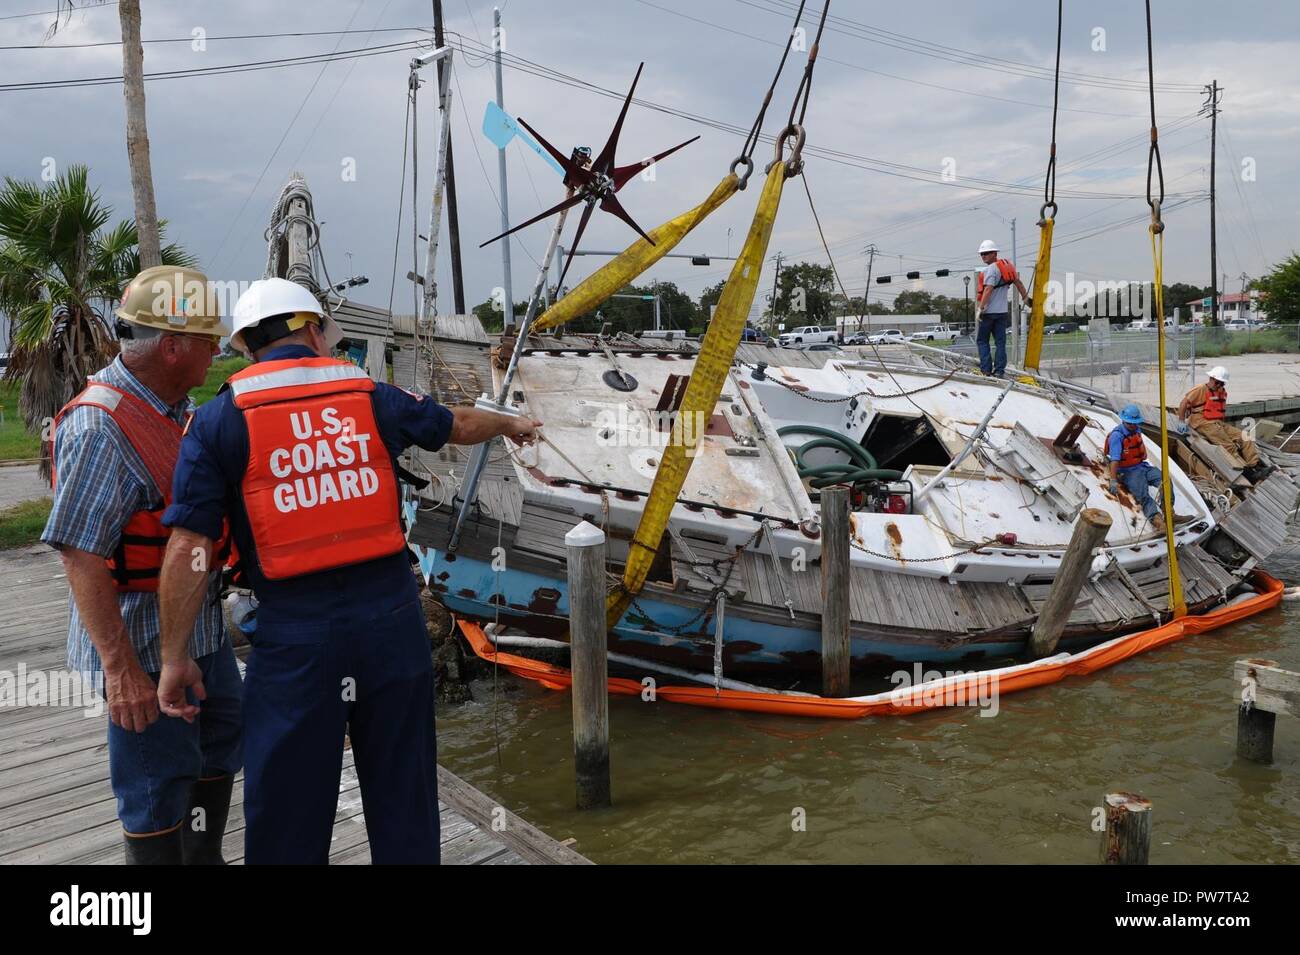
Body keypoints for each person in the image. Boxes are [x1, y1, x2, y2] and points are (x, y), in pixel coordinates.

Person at [155, 278, 541, 864]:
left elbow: (190, 546)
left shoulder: (219, 418)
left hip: (294, 642)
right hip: (391, 625)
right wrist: (511, 423)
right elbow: (457, 425)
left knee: (287, 811)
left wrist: (174, 659)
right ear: (312, 329)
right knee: (404, 796)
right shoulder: (367, 394)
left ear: (248, 345)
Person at [41, 265, 241, 864]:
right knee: (155, 786)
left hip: (201, 633)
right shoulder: (102, 424)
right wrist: (121, 672)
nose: (216, 352)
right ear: (173, 346)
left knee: (218, 747)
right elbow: (80, 554)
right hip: (142, 648)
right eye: (209, 341)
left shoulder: (177, 411)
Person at [1105, 404, 1191, 535]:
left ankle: (1169, 514)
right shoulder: (1117, 436)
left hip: (1142, 466)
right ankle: (1157, 521)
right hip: (1128, 471)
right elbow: (1115, 460)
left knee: (1165, 480)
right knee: (1143, 494)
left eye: (1135, 423)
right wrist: (1113, 480)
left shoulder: (1136, 430)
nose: (1134, 426)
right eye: (1131, 424)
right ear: (1124, 421)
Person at [1177, 366, 1273, 482]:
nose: (1219, 386)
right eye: (1218, 383)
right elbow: (1184, 403)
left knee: (1245, 436)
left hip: (1217, 422)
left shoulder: (1220, 391)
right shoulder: (1201, 389)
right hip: (1202, 422)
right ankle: (1248, 474)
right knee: (1228, 445)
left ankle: (1255, 466)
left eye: (1222, 384)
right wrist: (1181, 421)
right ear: (1211, 378)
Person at [974, 238, 1028, 377]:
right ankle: (999, 371)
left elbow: (988, 290)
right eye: (982, 254)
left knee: (982, 341)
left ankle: (986, 370)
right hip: (1002, 313)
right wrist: (1026, 298)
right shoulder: (1007, 267)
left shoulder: (991, 269)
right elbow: (1018, 283)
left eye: (986, 253)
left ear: (994, 254)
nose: (983, 256)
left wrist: (980, 309)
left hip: (989, 313)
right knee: (1000, 343)